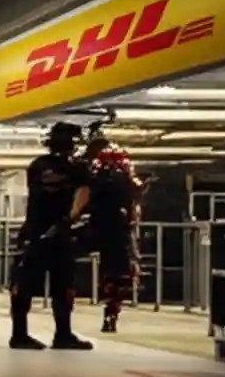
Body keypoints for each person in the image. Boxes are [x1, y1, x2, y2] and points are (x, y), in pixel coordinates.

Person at [8, 122, 94, 350]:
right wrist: (71, 216)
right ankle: (61, 334)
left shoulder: (37, 165)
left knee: (25, 283)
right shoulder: (75, 169)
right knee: (61, 284)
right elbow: (83, 194)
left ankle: (21, 334)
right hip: (56, 232)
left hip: (34, 230)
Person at [81, 134, 143, 333]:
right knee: (120, 274)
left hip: (99, 227)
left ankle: (110, 311)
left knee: (114, 273)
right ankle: (111, 312)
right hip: (118, 230)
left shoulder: (97, 174)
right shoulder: (123, 176)